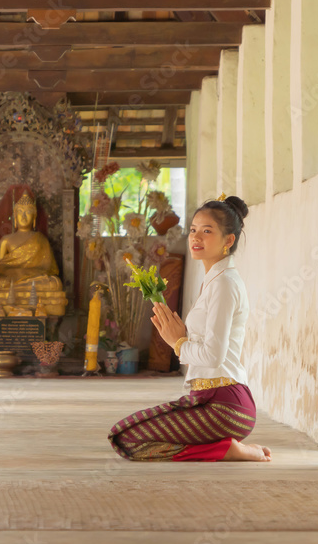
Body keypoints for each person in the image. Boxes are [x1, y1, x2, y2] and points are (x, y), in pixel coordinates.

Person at [108, 195, 272, 462]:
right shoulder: (215, 279)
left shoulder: (224, 284)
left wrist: (178, 343)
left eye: (207, 231)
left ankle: (228, 449)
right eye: (194, 230)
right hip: (210, 399)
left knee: (128, 439)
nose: (196, 237)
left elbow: (213, 356)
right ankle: (226, 446)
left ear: (228, 240)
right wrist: (179, 337)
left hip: (225, 404)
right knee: (125, 433)